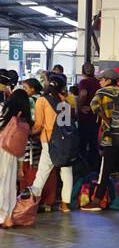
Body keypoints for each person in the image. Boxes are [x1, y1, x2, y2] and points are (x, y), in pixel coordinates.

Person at [89, 69, 119, 210]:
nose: (100, 82)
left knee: (106, 168)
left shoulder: (102, 93)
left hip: (110, 135)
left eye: (102, 79)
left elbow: (94, 106)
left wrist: (107, 120)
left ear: (108, 80)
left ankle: (97, 200)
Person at [31, 75, 74, 214]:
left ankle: (33, 201)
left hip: (49, 140)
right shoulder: (65, 102)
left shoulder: (42, 101)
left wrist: (28, 133)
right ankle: (65, 204)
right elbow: (66, 125)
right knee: (66, 170)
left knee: (43, 171)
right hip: (65, 141)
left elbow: (38, 125)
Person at [0, 86, 31, 228]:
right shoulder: (24, 121)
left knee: (2, 184)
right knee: (9, 185)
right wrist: (20, 168)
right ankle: (7, 217)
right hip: (12, 154)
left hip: (2, 150)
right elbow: (22, 146)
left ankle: (4, 217)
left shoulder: (3, 112)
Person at [76, 61, 100, 170]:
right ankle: (95, 167)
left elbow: (83, 94)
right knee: (94, 143)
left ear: (82, 72)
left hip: (85, 117)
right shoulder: (98, 82)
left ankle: (83, 167)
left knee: (83, 143)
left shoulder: (84, 82)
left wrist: (79, 107)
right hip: (97, 116)